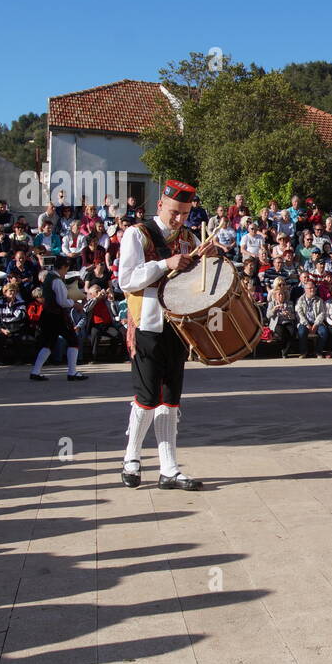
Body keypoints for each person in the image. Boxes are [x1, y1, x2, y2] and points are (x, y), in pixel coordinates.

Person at [117, 179, 215, 490]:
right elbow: (126, 280)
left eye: (185, 213)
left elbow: (188, 281)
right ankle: (131, 457)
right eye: (175, 212)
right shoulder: (137, 234)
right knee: (147, 397)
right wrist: (164, 262)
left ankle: (169, 468)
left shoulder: (187, 237)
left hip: (178, 325)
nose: (180, 219)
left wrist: (203, 260)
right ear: (161, 204)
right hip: (147, 323)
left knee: (171, 399)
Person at [27, 255, 87, 381]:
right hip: (57, 315)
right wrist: (75, 304)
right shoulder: (57, 281)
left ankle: (35, 371)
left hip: (47, 314)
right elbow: (62, 301)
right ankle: (72, 372)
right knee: (73, 340)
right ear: (64, 267)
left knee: (49, 343)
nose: (66, 272)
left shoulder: (49, 277)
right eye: (66, 269)